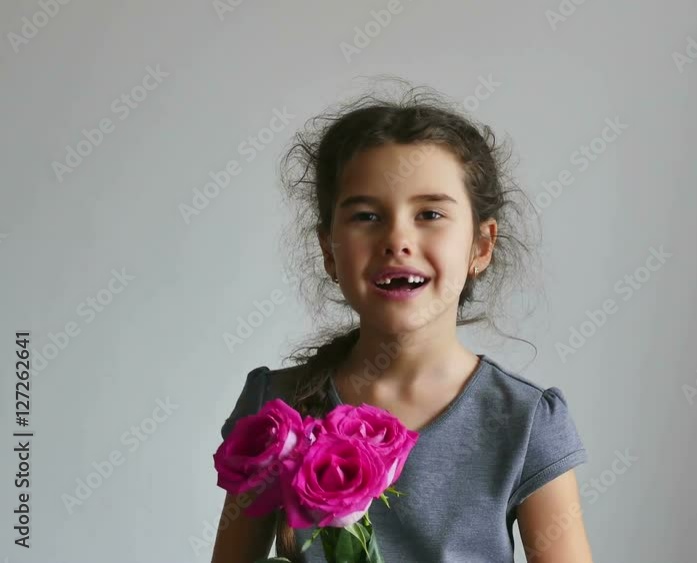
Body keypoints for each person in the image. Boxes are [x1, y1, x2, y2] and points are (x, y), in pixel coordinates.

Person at [210, 81, 593, 562]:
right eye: (367, 216)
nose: (397, 239)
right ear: (329, 249)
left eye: (430, 213)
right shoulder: (274, 411)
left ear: (481, 246)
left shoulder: (525, 422)